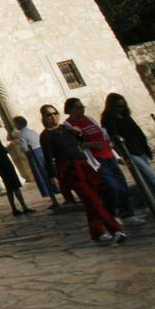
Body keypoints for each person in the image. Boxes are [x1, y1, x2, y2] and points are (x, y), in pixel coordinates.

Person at [40, 104, 125, 244]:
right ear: (43, 117)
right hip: (70, 170)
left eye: (55, 113)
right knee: (92, 200)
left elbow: (80, 143)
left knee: (92, 199)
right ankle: (115, 229)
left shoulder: (66, 128)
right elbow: (48, 158)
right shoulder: (46, 136)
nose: (53, 116)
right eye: (49, 115)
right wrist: (52, 176)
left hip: (83, 165)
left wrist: (78, 133)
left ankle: (97, 232)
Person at [101, 93, 155, 216]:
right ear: (111, 106)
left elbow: (138, 132)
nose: (120, 108)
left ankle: (138, 204)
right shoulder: (108, 119)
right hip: (129, 152)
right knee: (153, 179)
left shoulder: (126, 116)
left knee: (144, 181)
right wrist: (120, 154)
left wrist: (146, 148)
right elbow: (112, 137)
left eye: (122, 105)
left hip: (140, 150)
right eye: (117, 106)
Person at [64, 97, 138, 222]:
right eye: (79, 107)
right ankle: (111, 213)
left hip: (108, 155)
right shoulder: (68, 125)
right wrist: (89, 145)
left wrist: (115, 153)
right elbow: (74, 144)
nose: (82, 109)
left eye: (83, 107)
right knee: (110, 187)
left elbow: (103, 135)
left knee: (121, 185)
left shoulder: (90, 119)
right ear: (70, 110)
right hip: (96, 160)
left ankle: (127, 213)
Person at [0, 124, 32, 216]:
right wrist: (10, 147)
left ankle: (14, 208)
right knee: (15, 185)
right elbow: (3, 151)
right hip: (5, 162)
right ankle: (24, 206)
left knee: (9, 187)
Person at [13, 114, 60, 207]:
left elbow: (24, 148)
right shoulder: (32, 131)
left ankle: (53, 199)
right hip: (42, 153)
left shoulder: (22, 134)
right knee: (49, 174)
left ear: (18, 124)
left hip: (34, 156)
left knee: (42, 176)